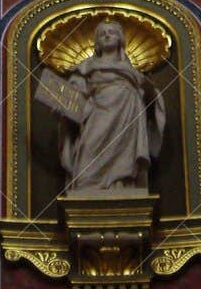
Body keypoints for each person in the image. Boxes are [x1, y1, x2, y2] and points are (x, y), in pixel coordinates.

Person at [58, 20, 165, 194]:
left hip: (127, 112)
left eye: (112, 32)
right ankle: (87, 183)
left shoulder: (132, 71)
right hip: (97, 111)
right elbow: (75, 92)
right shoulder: (86, 67)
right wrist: (63, 101)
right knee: (90, 145)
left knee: (123, 152)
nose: (107, 35)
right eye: (102, 34)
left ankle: (121, 183)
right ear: (97, 43)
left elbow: (150, 94)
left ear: (121, 39)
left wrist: (149, 90)